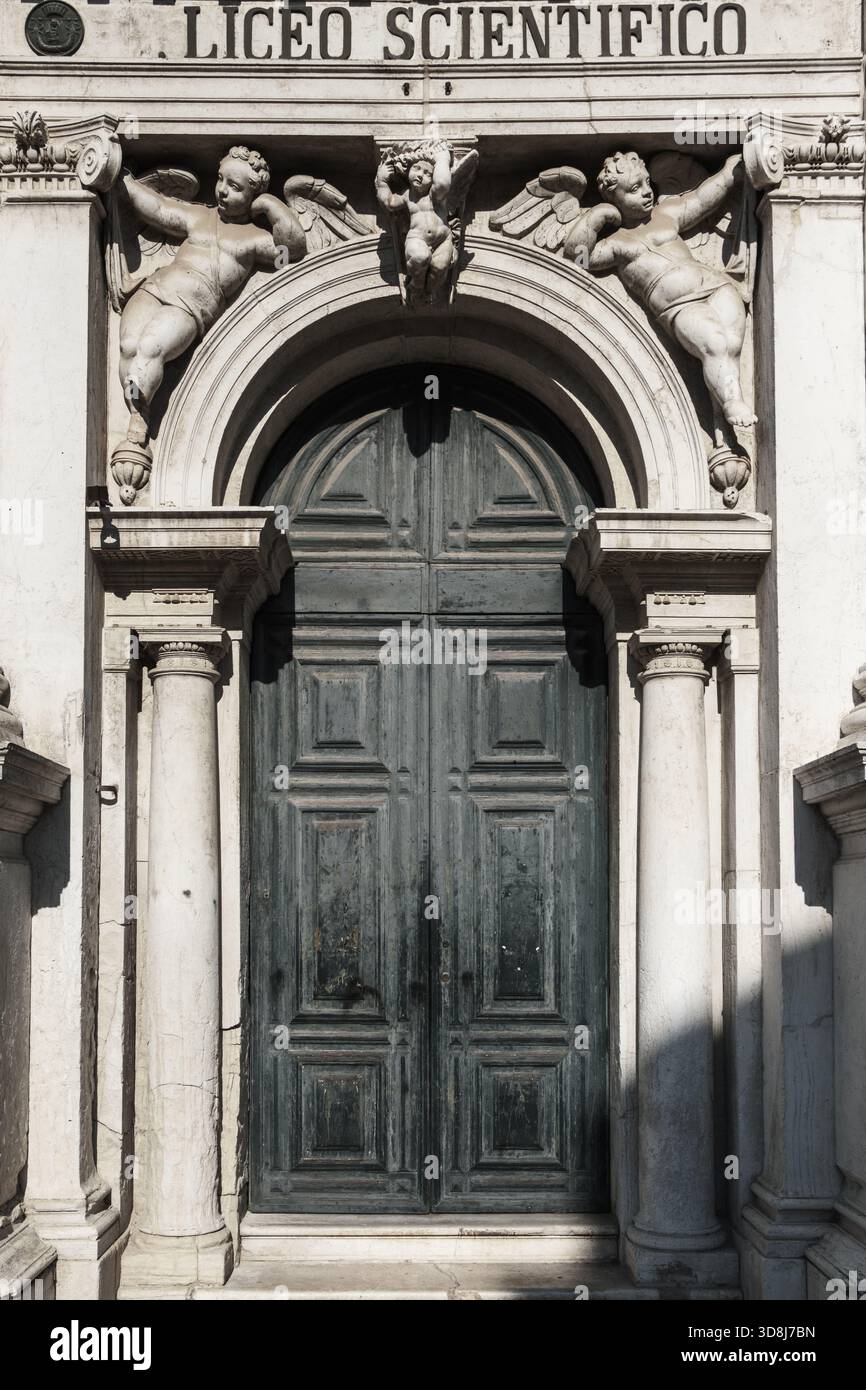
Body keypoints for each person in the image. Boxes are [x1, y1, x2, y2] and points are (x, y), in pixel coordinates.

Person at [117, 146, 306, 448]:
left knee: (151, 346)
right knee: (129, 347)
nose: (222, 190)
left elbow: (292, 252)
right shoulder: (200, 216)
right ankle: (137, 402)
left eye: (235, 186)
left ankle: (138, 414)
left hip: (190, 307)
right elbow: (158, 209)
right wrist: (119, 178)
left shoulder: (255, 241)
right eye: (221, 180)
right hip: (155, 287)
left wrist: (271, 205)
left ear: (253, 193)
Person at [569, 151, 756, 428]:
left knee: (731, 347)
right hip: (680, 306)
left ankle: (723, 422)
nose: (646, 192)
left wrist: (731, 172)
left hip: (716, 287)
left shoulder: (665, 215)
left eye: (646, 183)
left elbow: (703, 199)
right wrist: (596, 216)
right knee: (715, 344)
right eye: (634, 189)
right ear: (613, 198)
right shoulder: (618, 246)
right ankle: (732, 403)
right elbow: (577, 256)